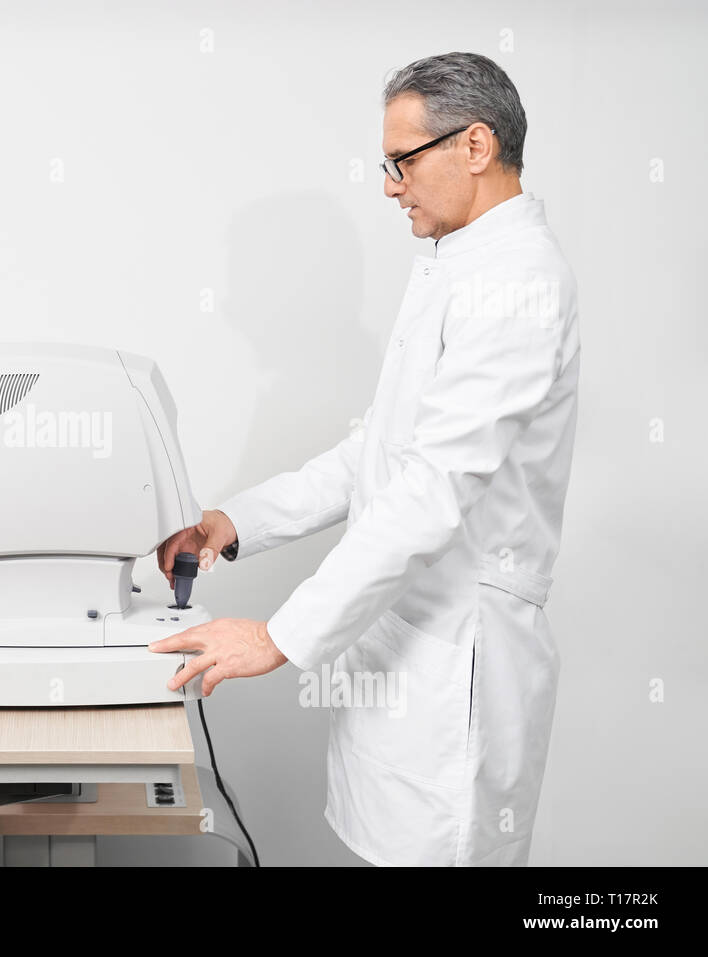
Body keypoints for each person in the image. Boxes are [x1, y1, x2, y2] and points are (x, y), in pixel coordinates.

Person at [152, 52, 580, 867]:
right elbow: (376, 451)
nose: (390, 185)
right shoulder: (457, 269)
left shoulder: (519, 283)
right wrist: (236, 520)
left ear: (476, 146)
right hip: (406, 647)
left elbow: (432, 489)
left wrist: (280, 635)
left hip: (462, 661)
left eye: (402, 161)